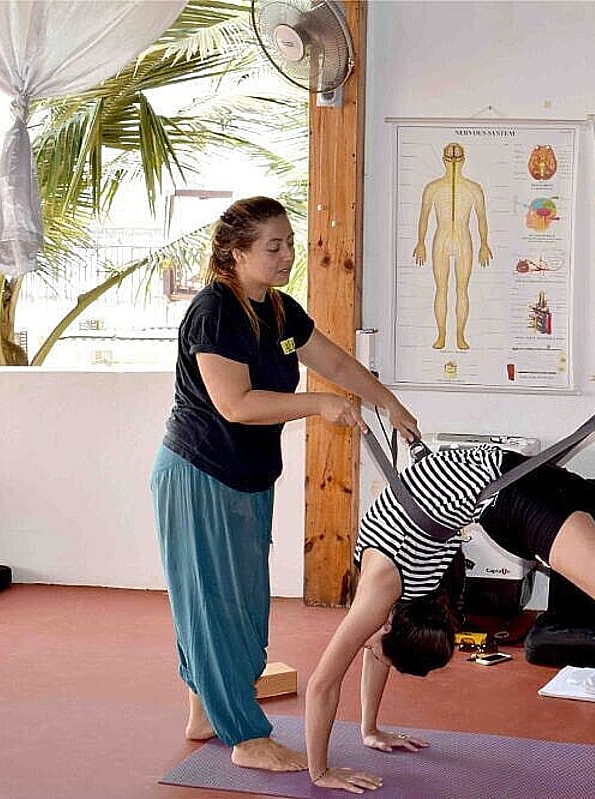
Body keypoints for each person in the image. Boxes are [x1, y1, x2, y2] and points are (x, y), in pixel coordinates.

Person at [150, 196, 419, 774]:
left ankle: (205, 713)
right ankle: (247, 737)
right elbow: (236, 404)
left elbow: (338, 364)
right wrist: (318, 404)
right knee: (214, 606)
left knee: (244, 610)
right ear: (234, 252)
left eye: (289, 243)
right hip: (199, 474)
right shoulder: (214, 312)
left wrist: (388, 403)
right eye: (273, 246)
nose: (286, 255)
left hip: (247, 478)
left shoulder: (278, 310)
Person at [303, 445, 595, 799]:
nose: (366, 643)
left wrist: (319, 772)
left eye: (371, 642)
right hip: (512, 490)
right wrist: (369, 729)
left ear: (388, 624)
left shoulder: (379, 590)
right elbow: (380, 654)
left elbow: (323, 682)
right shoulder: (397, 600)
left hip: (519, 482)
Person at [412, 142, 493, 351]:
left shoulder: (474, 188)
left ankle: (460, 335)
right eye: (450, 159)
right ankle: (441, 334)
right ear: (444, 160)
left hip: (463, 238)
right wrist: (420, 242)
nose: (454, 163)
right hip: (442, 237)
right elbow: (424, 217)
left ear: (463, 160)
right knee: (441, 288)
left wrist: (484, 243)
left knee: (461, 289)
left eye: (457, 159)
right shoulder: (433, 188)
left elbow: (482, 219)